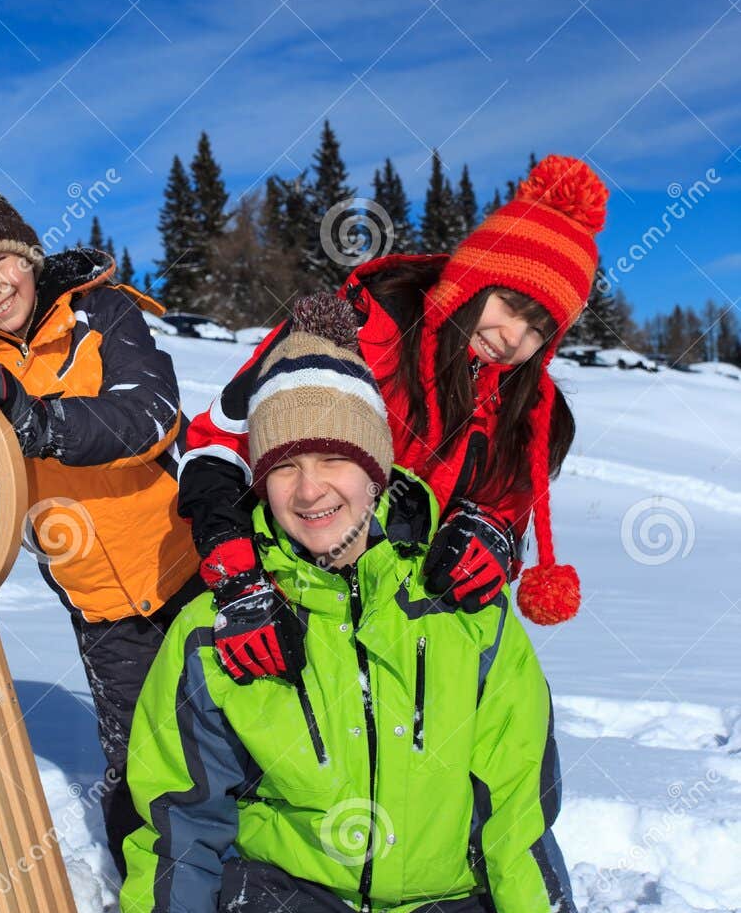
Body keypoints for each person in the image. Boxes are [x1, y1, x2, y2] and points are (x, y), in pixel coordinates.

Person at [112, 295, 633, 913]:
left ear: (377, 467)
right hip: (291, 900)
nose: (310, 490)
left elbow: (514, 810)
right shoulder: (214, 630)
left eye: (333, 461)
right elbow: (182, 813)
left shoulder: (468, 613)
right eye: (282, 465)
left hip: (444, 907)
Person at [0, 176, 200, 870]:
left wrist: (33, 418)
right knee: (144, 778)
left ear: (28, 256)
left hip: (192, 573)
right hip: (101, 611)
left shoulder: (101, 313)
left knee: (234, 746)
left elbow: (149, 418)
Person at [178, 155, 608, 690]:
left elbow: (505, 509)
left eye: (540, 328)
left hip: (406, 644)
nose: (513, 338)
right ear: (476, 278)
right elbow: (216, 447)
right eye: (510, 305)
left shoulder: (527, 414)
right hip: (288, 603)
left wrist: (495, 537)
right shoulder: (356, 332)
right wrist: (238, 578)